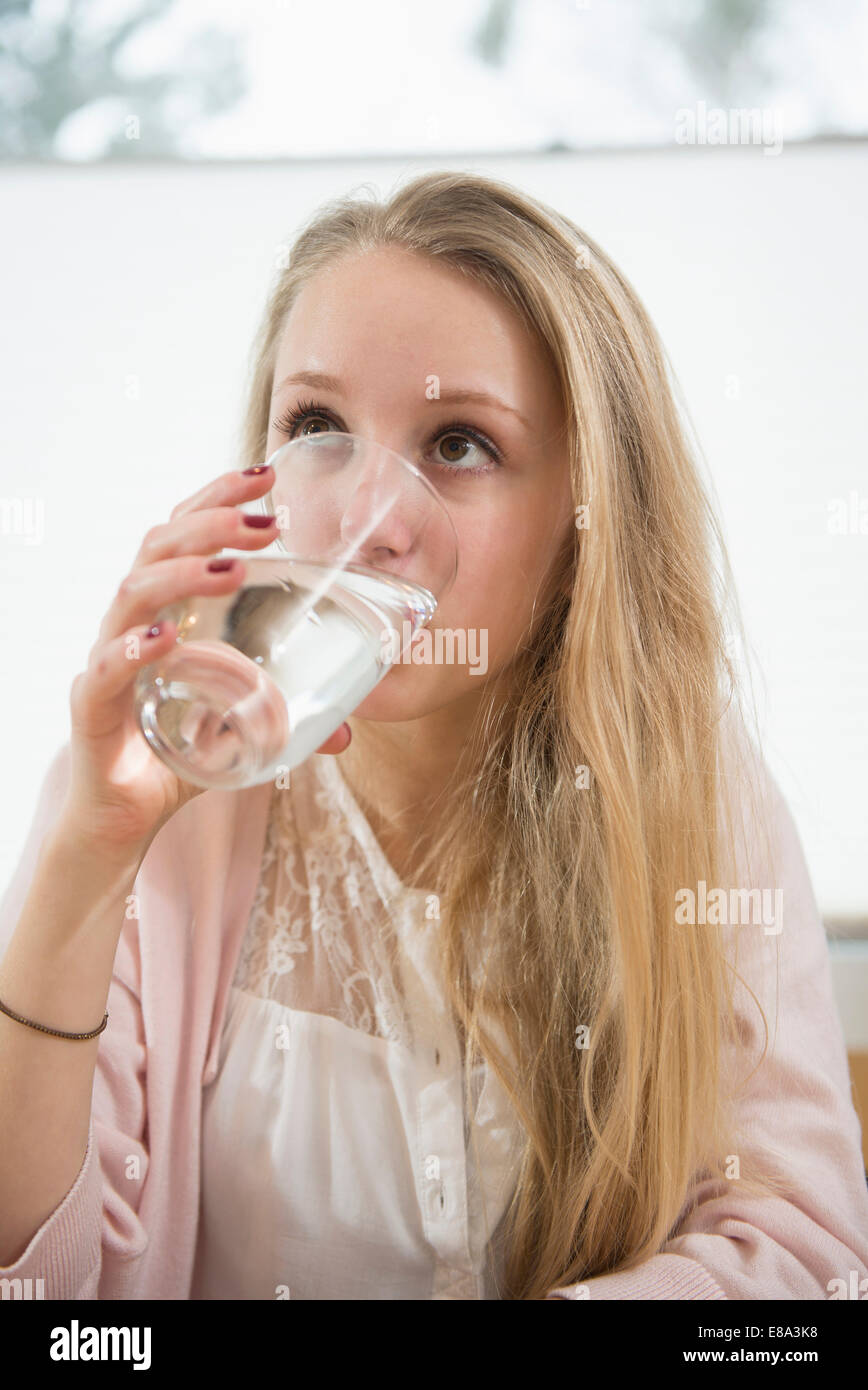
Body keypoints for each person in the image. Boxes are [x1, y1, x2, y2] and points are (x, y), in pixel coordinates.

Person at [1, 170, 866, 1301]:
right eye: (317, 427)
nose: (369, 522)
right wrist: (84, 859)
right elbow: (49, 1303)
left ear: (582, 515)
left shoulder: (694, 799)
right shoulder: (159, 791)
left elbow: (800, 1269)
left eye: (458, 445)